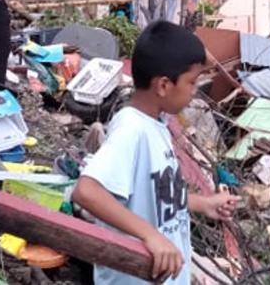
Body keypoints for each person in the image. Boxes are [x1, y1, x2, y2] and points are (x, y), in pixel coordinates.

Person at [73, 21, 239, 284]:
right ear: (163, 85)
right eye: (192, 82)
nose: (195, 90)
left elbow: (156, 195)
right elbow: (87, 191)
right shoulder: (132, 129)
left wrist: (204, 204)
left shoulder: (156, 124)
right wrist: (150, 235)